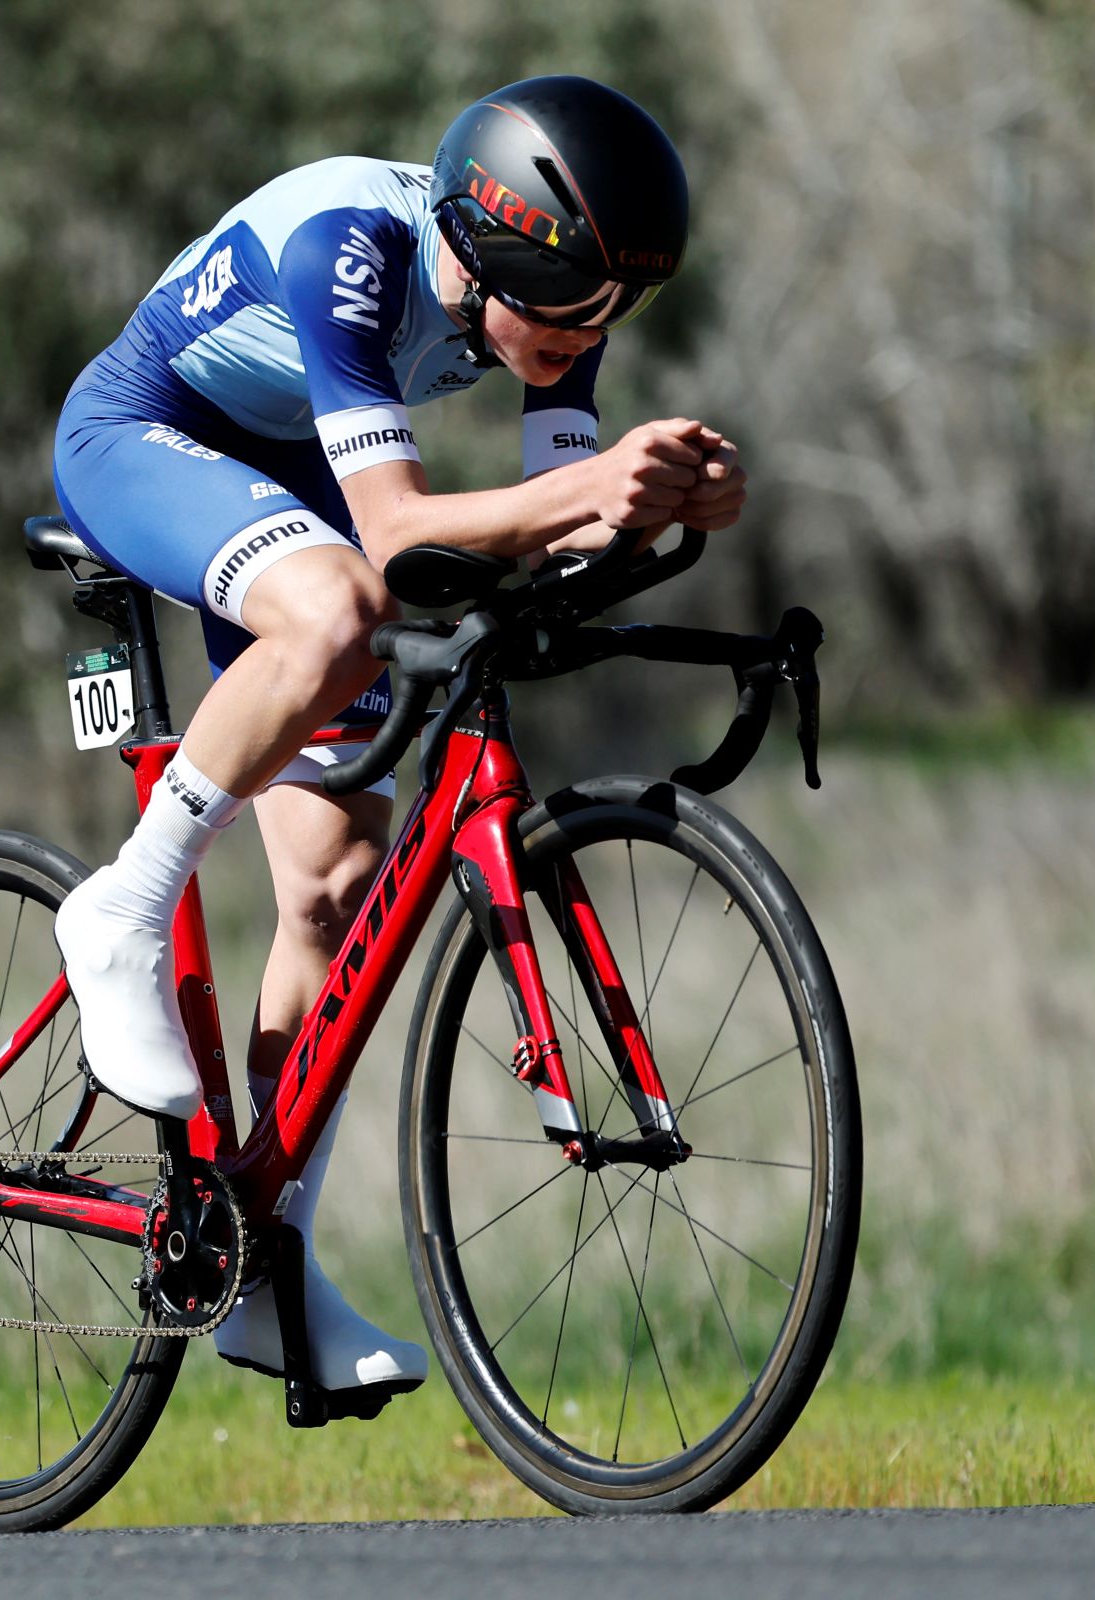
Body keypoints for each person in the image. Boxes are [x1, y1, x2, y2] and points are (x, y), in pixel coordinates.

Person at [48, 75, 748, 1400]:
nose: (582, 336)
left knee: (336, 892)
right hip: (145, 433)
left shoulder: (554, 289)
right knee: (342, 608)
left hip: (294, 467)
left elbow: (567, 528)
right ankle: (125, 904)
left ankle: (261, 1264)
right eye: (565, 310)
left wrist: (675, 505)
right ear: (486, 248)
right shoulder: (348, 254)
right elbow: (400, 535)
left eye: (610, 311)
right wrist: (584, 491)